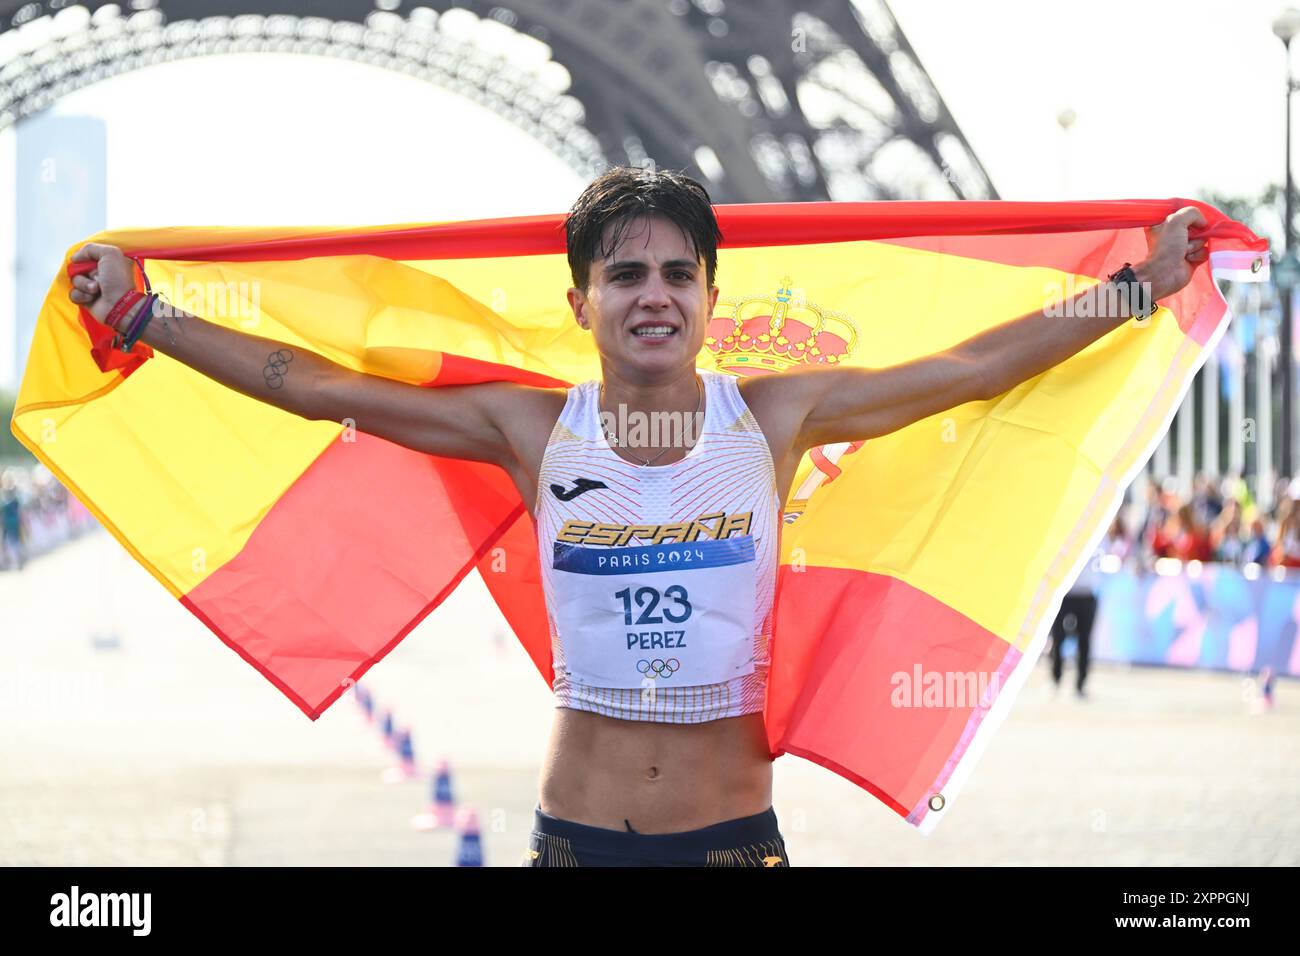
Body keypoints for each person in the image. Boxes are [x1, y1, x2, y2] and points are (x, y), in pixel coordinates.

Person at [66, 167, 1209, 867]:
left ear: (712, 298)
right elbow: (316, 386)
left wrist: (1141, 286)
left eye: (675, 274)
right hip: (576, 840)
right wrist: (148, 314)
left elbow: (973, 367)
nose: (651, 293)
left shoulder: (775, 415)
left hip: (732, 842)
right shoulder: (528, 428)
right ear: (581, 302)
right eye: (624, 275)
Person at [0, 470, 25, 572]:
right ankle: (17, 560)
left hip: (12, 522)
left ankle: (17, 560)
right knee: (13, 541)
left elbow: (18, 509)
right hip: (10, 522)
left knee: (13, 541)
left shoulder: (10, 494)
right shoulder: (9, 494)